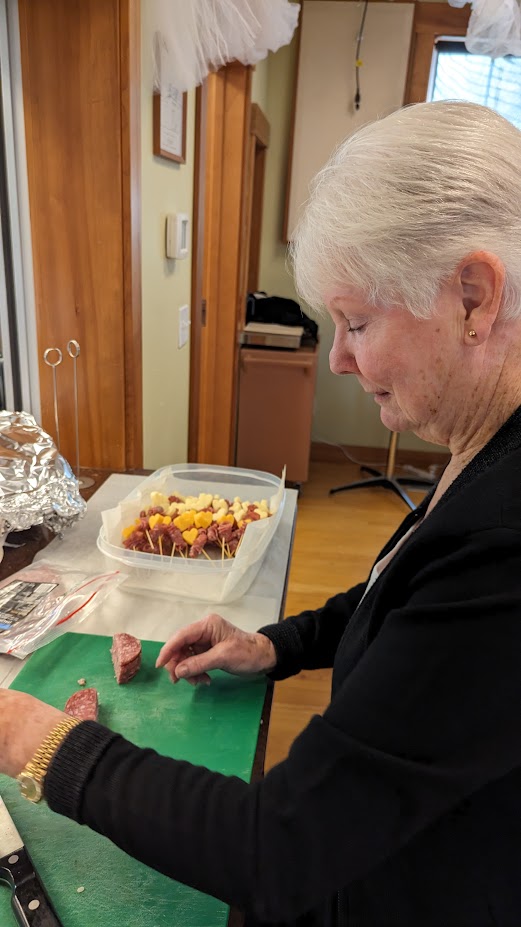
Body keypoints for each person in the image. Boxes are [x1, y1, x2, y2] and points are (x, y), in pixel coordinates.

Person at [2, 100, 521, 926]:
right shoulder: (481, 446)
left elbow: (276, 847)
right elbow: (403, 592)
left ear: (471, 296)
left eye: (355, 322)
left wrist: (36, 740)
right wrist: (276, 643)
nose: (342, 358)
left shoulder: (505, 536)